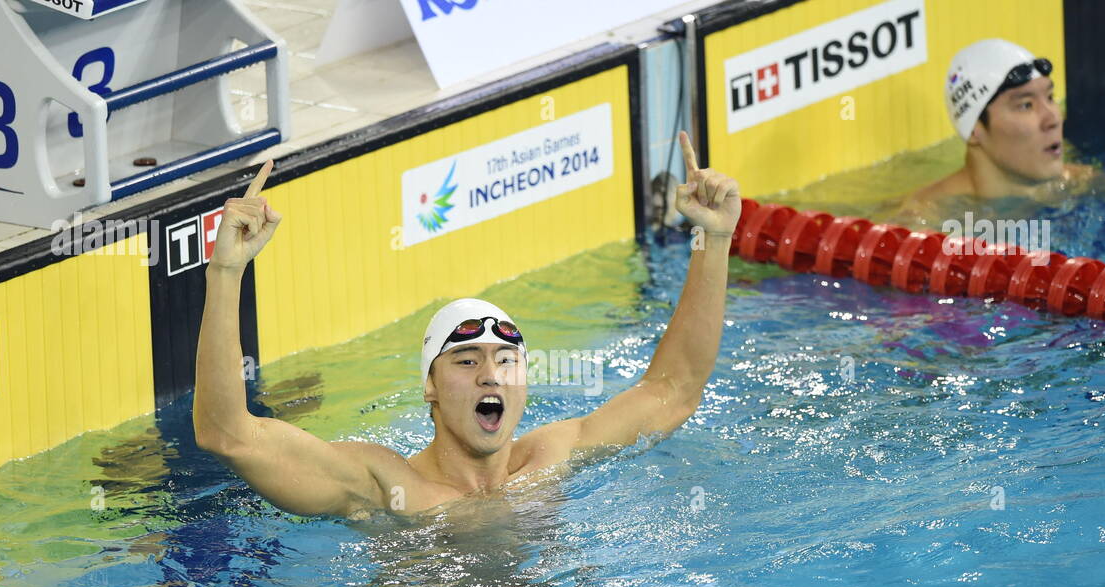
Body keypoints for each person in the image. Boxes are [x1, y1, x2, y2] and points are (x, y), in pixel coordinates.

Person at [193, 131, 741, 518]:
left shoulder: (551, 457)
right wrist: (226, 271)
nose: (491, 375)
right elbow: (228, 435)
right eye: (466, 360)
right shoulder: (385, 485)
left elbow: (675, 389)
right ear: (429, 385)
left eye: (506, 361)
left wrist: (714, 239)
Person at [903, 38, 1093, 212]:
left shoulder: (1082, 183)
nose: (1053, 119)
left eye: (1050, 97)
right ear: (975, 131)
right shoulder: (925, 216)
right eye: (1026, 105)